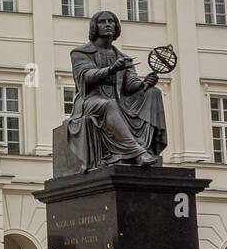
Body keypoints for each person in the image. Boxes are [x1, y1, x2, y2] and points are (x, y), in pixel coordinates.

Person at [65, 11, 167, 171]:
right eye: (102, 22)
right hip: (89, 101)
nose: (107, 24)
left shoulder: (122, 57)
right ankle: (138, 153)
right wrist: (111, 69)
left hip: (119, 102)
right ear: (94, 27)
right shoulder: (80, 53)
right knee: (109, 104)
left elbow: (130, 85)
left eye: (111, 21)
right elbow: (86, 76)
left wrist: (144, 84)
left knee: (154, 93)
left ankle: (149, 148)